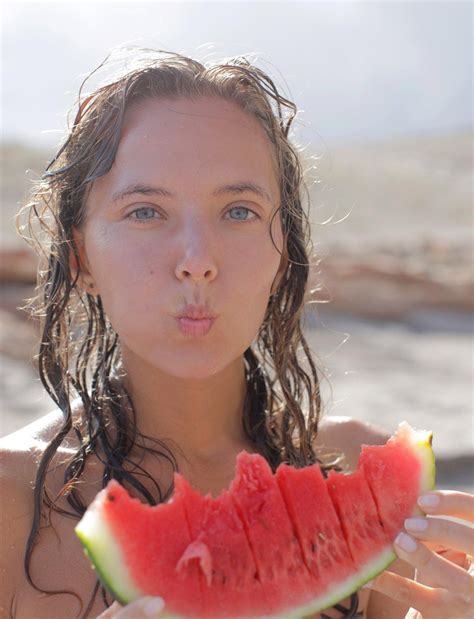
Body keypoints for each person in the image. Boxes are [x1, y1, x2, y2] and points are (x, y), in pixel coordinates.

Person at [0, 48, 472, 619]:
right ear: (81, 259)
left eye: (240, 211)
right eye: (146, 211)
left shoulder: (359, 472)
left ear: (283, 254)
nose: (198, 261)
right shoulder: (12, 505)